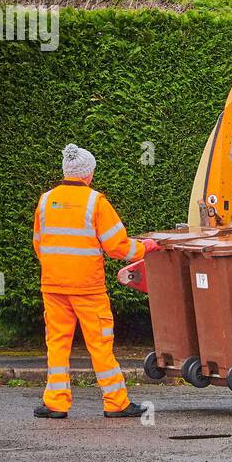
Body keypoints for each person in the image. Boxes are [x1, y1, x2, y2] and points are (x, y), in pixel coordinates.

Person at [32, 144, 158, 418]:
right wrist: (145, 247)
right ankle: (116, 402)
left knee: (57, 342)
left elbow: (39, 244)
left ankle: (55, 403)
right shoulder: (95, 202)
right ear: (88, 174)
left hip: (53, 286)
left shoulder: (45, 201)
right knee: (100, 344)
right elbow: (118, 247)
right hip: (87, 288)